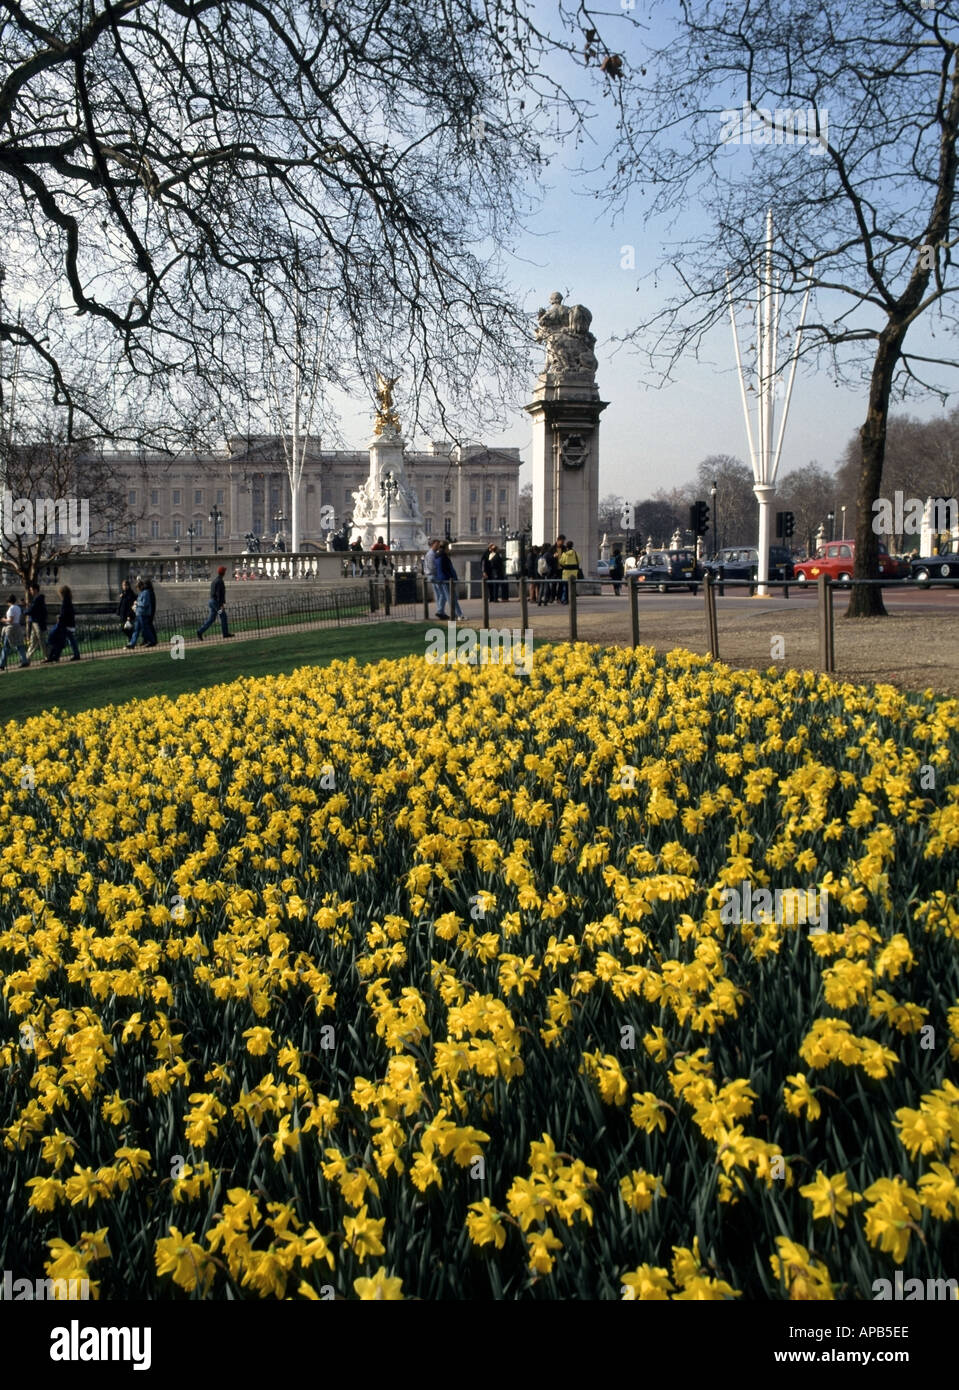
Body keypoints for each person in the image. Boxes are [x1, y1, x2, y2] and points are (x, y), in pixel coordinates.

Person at [196, 565, 233, 640]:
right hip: (216, 603)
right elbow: (219, 594)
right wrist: (221, 605)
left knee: (211, 618)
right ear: (224, 573)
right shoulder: (220, 581)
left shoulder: (215, 580)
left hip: (212, 602)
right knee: (223, 616)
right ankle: (225, 633)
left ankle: (200, 631)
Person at [45, 585, 80, 662]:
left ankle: (55, 656)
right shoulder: (68, 600)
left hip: (66, 624)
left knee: (60, 640)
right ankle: (74, 654)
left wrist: (59, 617)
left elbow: (64, 614)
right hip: (69, 623)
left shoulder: (65, 602)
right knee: (68, 640)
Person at [0, 595, 30, 670]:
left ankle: (2, 664)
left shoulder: (11, 609)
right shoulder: (18, 608)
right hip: (18, 627)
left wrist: (3, 620)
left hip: (11, 628)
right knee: (20, 645)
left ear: (8, 602)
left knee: (6, 646)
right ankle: (24, 660)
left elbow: (10, 620)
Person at [436, 540, 463, 619]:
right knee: (452, 598)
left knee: (446, 596)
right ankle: (459, 614)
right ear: (445, 547)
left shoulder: (438, 555)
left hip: (442, 579)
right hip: (447, 579)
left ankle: (442, 611)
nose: (449, 549)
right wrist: (452, 578)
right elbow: (446, 569)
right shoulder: (443, 556)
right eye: (448, 547)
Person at [25, 584, 48, 660]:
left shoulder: (38, 599)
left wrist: (24, 611)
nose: (31, 591)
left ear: (35, 590)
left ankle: (47, 656)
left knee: (41, 640)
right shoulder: (37, 599)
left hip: (38, 622)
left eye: (31, 590)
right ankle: (27, 658)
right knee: (33, 641)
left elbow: (32, 610)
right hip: (35, 622)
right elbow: (34, 608)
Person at [423, 538, 444, 616]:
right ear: (433, 545)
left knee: (438, 594)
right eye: (437, 544)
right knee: (442, 594)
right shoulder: (431, 554)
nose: (438, 546)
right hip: (433, 575)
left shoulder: (431, 553)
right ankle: (440, 611)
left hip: (430, 575)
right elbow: (432, 567)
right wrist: (439, 573)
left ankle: (441, 611)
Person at [558, 540, 580, 605]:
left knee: (565, 588)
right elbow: (579, 560)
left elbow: (561, 562)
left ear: (566, 547)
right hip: (574, 573)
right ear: (572, 546)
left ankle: (565, 600)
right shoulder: (575, 553)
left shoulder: (564, 554)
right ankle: (572, 600)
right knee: (573, 588)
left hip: (566, 573)